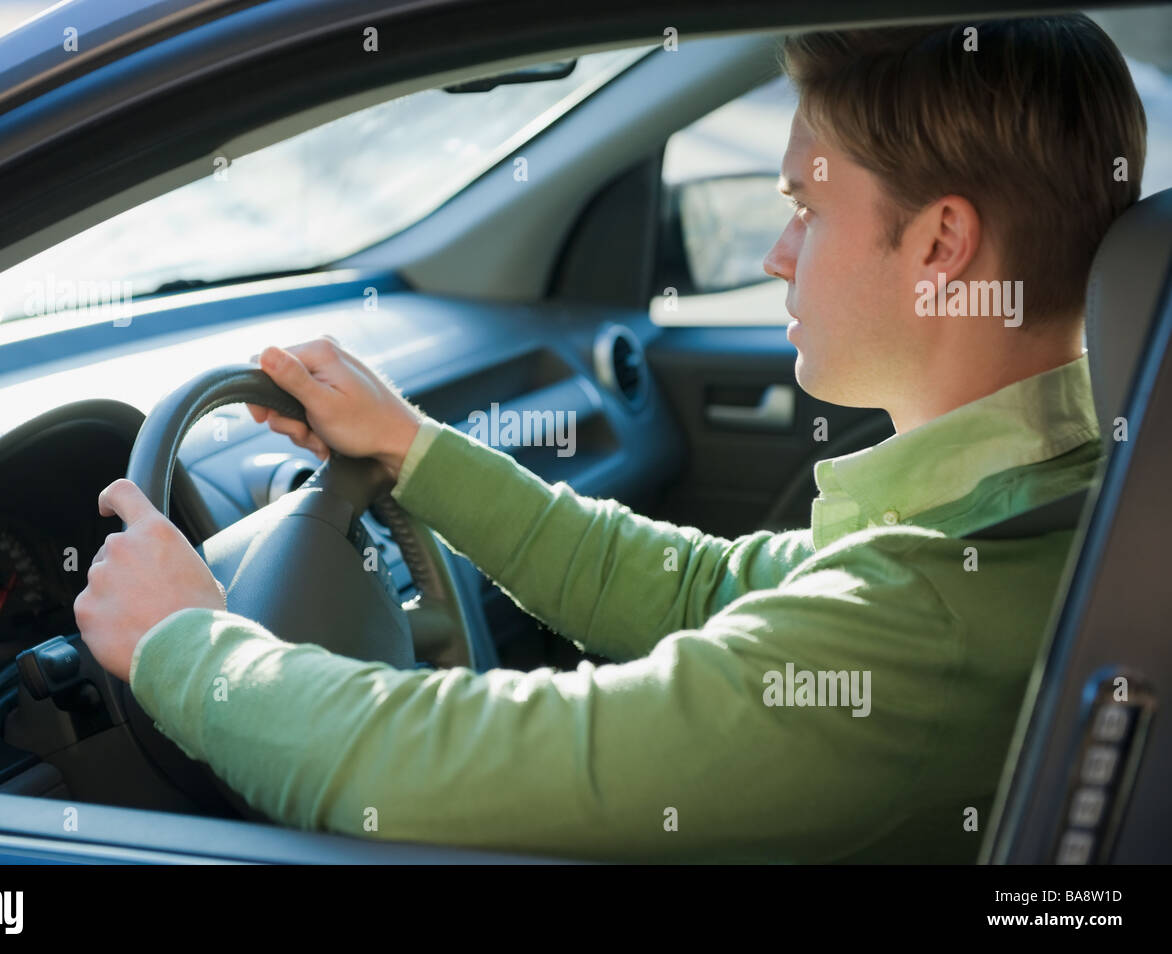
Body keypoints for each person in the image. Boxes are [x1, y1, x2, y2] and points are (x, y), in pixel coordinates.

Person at [73, 14, 1147, 862]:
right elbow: (701, 590)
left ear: (942, 245)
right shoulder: (1057, 498)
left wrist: (187, 649)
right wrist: (413, 450)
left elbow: (476, 769)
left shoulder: (927, 620)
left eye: (805, 210)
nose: (777, 253)